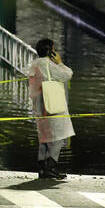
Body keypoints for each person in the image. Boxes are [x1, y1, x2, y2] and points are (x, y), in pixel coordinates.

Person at [28, 38, 74, 179]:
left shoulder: (34, 65)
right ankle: (50, 168)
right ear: (50, 52)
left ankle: (42, 169)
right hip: (53, 107)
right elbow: (68, 74)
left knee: (44, 139)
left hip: (39, 107)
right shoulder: (49, 65)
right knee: (57, 139)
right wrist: (59, 62)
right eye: (54, 49)